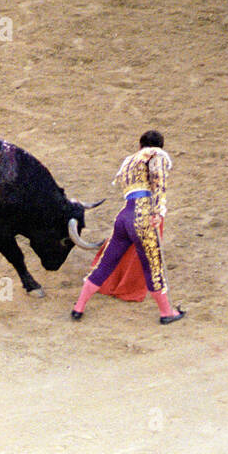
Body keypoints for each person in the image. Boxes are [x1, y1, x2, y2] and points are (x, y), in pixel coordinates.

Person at [71, 130, 186, 324]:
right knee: (152, 267)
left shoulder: (130, 162)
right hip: (143, 215)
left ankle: (78, 308)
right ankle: (167, 313)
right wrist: (157, 212)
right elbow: (159, 181)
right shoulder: (156, 155)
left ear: (140, 145)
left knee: (105, 263)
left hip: (124, 216)